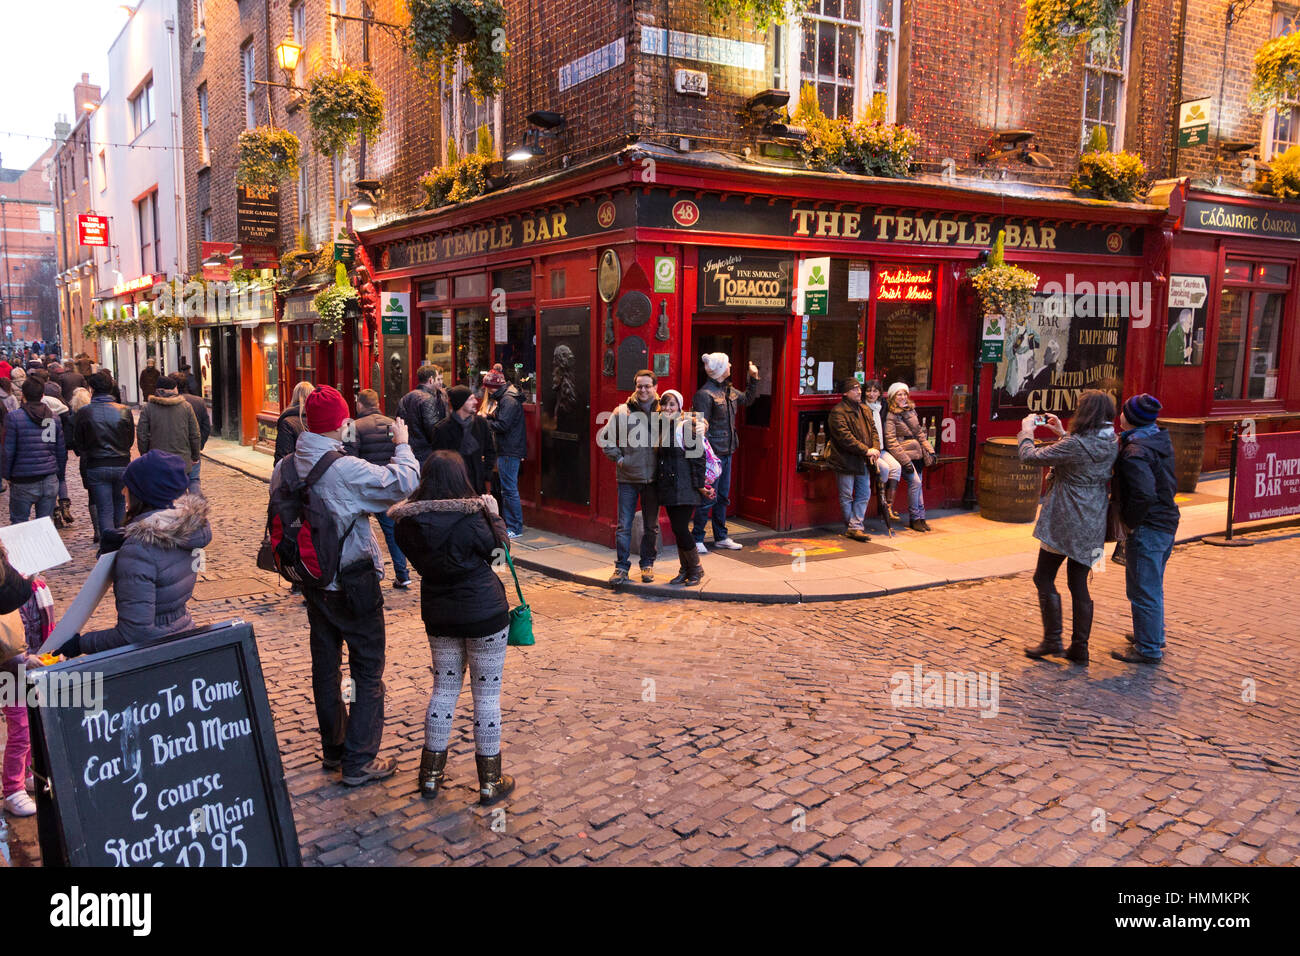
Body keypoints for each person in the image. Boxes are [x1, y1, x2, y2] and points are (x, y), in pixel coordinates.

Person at [270, 386, 419, 786]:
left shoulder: (285, 465)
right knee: (367, 669)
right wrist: (402, 445)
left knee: (325, 666)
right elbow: (402, 482)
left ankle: (334, 749)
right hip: (352, 579)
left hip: (314, 579)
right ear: (340, 423)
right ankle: (359, 761)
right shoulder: (343, 468)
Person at [391, 450, 515, 805]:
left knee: (443, 690)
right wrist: (494, 517)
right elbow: (499, 558)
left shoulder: (407, 523)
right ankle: (490, 782)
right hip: (484, 613)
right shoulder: (474, 517)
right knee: (486, 697)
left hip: (440, 612)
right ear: (461, 477)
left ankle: (429, 776)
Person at [56, 451, 210, 658]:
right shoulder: (185, 531)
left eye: (128, 486)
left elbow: (135, 633)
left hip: (153, 655)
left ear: (143, 493)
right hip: (182, 632)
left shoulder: (139, 549)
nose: (122, 491)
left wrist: (82, 644)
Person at [1016, 391, 1119, 665]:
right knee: (1079, 582)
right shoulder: (1112, 440)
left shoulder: (1075, 443)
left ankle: (1052, 639)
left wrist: (1026, 432)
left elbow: (1030, 457)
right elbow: (1079, 456)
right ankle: (1080, 647)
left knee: (1043, 577)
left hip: (1065, 517)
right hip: (1096, 519)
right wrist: (1061, 432)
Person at [1112, 393, 1181, 665]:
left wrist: (1129, 522)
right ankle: (1153, 634)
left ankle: (1148, 648)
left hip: (1149, 526)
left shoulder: (1135, 452)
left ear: (1128, 418)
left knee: (1143, 588)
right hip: (1166, 521)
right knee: (1152, 584)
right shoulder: (1156, 439)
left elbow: (1144, 494)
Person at [0, 544, 52, 817]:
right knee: (20, 729)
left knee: (31, 725)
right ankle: (12, 789)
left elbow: (40, 625)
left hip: (24, 667)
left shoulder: (36, 589)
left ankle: (24, 774)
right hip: (8, 674)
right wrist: (21, 659)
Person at [691, 352, 760, 552]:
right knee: (707, 497)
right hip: (712, 455)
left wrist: (753, 378)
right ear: (721, 370)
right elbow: (698, 429)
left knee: (722, 497)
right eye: (727, 363)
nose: (730, 365)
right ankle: (697, 539)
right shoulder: (704, 395)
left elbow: (747, 399)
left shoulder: (729, 391)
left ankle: (721, 536)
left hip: (728, 451)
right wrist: (703, 456)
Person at [343, 389, 412, 589]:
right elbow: (397, 448)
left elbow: (348, 458)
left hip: (363, 485)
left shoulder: (351, 426)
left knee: (356, 531)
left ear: (360, 404)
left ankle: (360, 574)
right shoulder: (391, 424)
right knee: (391, 532)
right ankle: (402, 573)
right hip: (386, 484)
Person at [598, 369, 661, 584]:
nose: (643, 390)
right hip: (628, 478)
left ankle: (647, 565)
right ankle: (621, 568)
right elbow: (606, 439)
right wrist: (619, 458)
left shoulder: (664, 411)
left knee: (651, 526)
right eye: (639, 386)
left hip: (654, 479)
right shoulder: (621, 412)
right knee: (624, 525)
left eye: (647, 386)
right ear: (635, 387)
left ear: (655, 387)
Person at [654, 389, 712, 586]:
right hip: (669, 486)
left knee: (680, 528)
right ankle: (684, 569)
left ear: (679, 407)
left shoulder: (688, 426)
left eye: (672, 404)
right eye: (664, 404)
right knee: (678, 530)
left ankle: (696, 568)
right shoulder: (660, 426)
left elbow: (699, 458)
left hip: (686, 486)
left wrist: (700, 486)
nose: (668, 408)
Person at [73, 371, 135, 538]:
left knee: (104, 509)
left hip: (97, 464)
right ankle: (121, 543)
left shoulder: (84, 412)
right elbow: (129, 440)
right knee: (120, 505)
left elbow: (78, 442)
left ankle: (108, 547)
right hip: (121, 463)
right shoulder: (124, 410)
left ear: (92, 389)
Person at [2, 378, 67, 525]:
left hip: (23, 479)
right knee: (45, 524)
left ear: (23, 395)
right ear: (42, 395)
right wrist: (59, 475)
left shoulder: (14, 418)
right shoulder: (52, 418)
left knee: (20, 524)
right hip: (49, 478)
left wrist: (7, 475)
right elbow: (60, 450)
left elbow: (8, 450)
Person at [825, 378, 881, 542]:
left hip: (862, 459)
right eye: (854, 389)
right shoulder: (838, 412)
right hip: (845, 460)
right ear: (845, 392)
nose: (859, 391)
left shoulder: (864, 409)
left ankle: (854, 527)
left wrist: (875, 448)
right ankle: (854, 527)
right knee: (847, 495)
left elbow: (874, 431)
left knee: (864, 493)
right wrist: (867, 450)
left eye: (859, 388)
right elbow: (845, 438)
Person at [883, 382, 935, 533]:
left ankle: (921, 517)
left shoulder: (911, 410)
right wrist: (904, 461)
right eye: (899, 394)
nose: (903, 397)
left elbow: (920, 433)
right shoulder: (891, 414)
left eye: (904, 394)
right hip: (903, 454)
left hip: (917, 452)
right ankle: (914, 518)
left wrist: (930, 451)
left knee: (919, 486)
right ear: (893, 396)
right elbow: (891, 441)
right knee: (915, 483)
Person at [484, 365, 526, 538]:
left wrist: (484, 422)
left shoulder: (507, 400)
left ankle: (514, 527)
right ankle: (512, 524)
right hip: (509, 448)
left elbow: (503, 425)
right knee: (507, 489)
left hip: (509, 449)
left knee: (509, 489)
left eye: (487, 388)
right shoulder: (508, 397)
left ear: (493, 386)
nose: (486, 391)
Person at [431, 384, 496, 495]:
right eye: (470, 399)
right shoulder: (442, 429)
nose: (475, 401)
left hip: (477, 484)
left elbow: (490, 451)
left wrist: (486, 474)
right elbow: (439, 460)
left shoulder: (481, 424)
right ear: (460, 403)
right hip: (453, 487)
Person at [137, 374, 201, 485]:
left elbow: (142, 435)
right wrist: (195, 456)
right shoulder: (186, 406)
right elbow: (194, 434)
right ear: (173, 389)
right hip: (181, 461)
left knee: (160, 495)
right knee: (180, 496)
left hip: (157, 460)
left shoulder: (148, 408)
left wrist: (145, 454)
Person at [863, 380, 902, 522]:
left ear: (880, 393)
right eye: (868, 391)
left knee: (896, 467)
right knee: (884, 468)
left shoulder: (883, 407)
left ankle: (889, 506)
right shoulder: (862, 408)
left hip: (883, 447)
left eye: (875, 391)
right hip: (870, 449)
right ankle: (882, 505)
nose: (871, 394)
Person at [397, 364, 450, 466]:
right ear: (431, 380)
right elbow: (433, 431)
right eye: (437, 378)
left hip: (409, 451)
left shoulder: (405, 397)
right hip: (425, 453)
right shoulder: (427, 399)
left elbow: (397, 424)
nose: (441, 382)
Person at [175, 373, 212, 494]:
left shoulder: (170, 403)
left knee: (177, 483)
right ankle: (196, 510)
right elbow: (206, 427)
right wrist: (199, 446)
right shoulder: (198, 401)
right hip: (193, 450)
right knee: (194, 480)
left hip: (176, 450)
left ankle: (181, 511)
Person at [275, 381, 314, 465]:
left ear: (294, 396)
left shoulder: (287, 422)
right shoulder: (319, 418)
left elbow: (282, 454)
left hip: (296, 470)